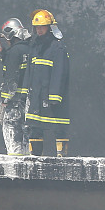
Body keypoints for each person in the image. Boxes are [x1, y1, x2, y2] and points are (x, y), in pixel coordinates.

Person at [25, 10, 71, 156]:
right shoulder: (34, 47)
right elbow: (29, 72)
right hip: (37, 96)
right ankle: (35, 158)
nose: (39, 30)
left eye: (42, 27)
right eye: (37, 27)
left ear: (50, 27)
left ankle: (61, 157)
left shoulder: (57, 48)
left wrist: (55, 95)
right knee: (35, 126)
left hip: (52, 97)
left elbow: (60, 73)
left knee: (58, 126)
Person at [0, 19, 33, 156]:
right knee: (26, 139)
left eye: (6, 39)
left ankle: (15, 168)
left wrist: (4, 100)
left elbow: (11, 80)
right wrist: (2, 54)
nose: (6, 42)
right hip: (30, 103)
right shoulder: (31, 50)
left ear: (12, 35)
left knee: (13, 136)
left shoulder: (14, 52)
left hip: (15, 103)